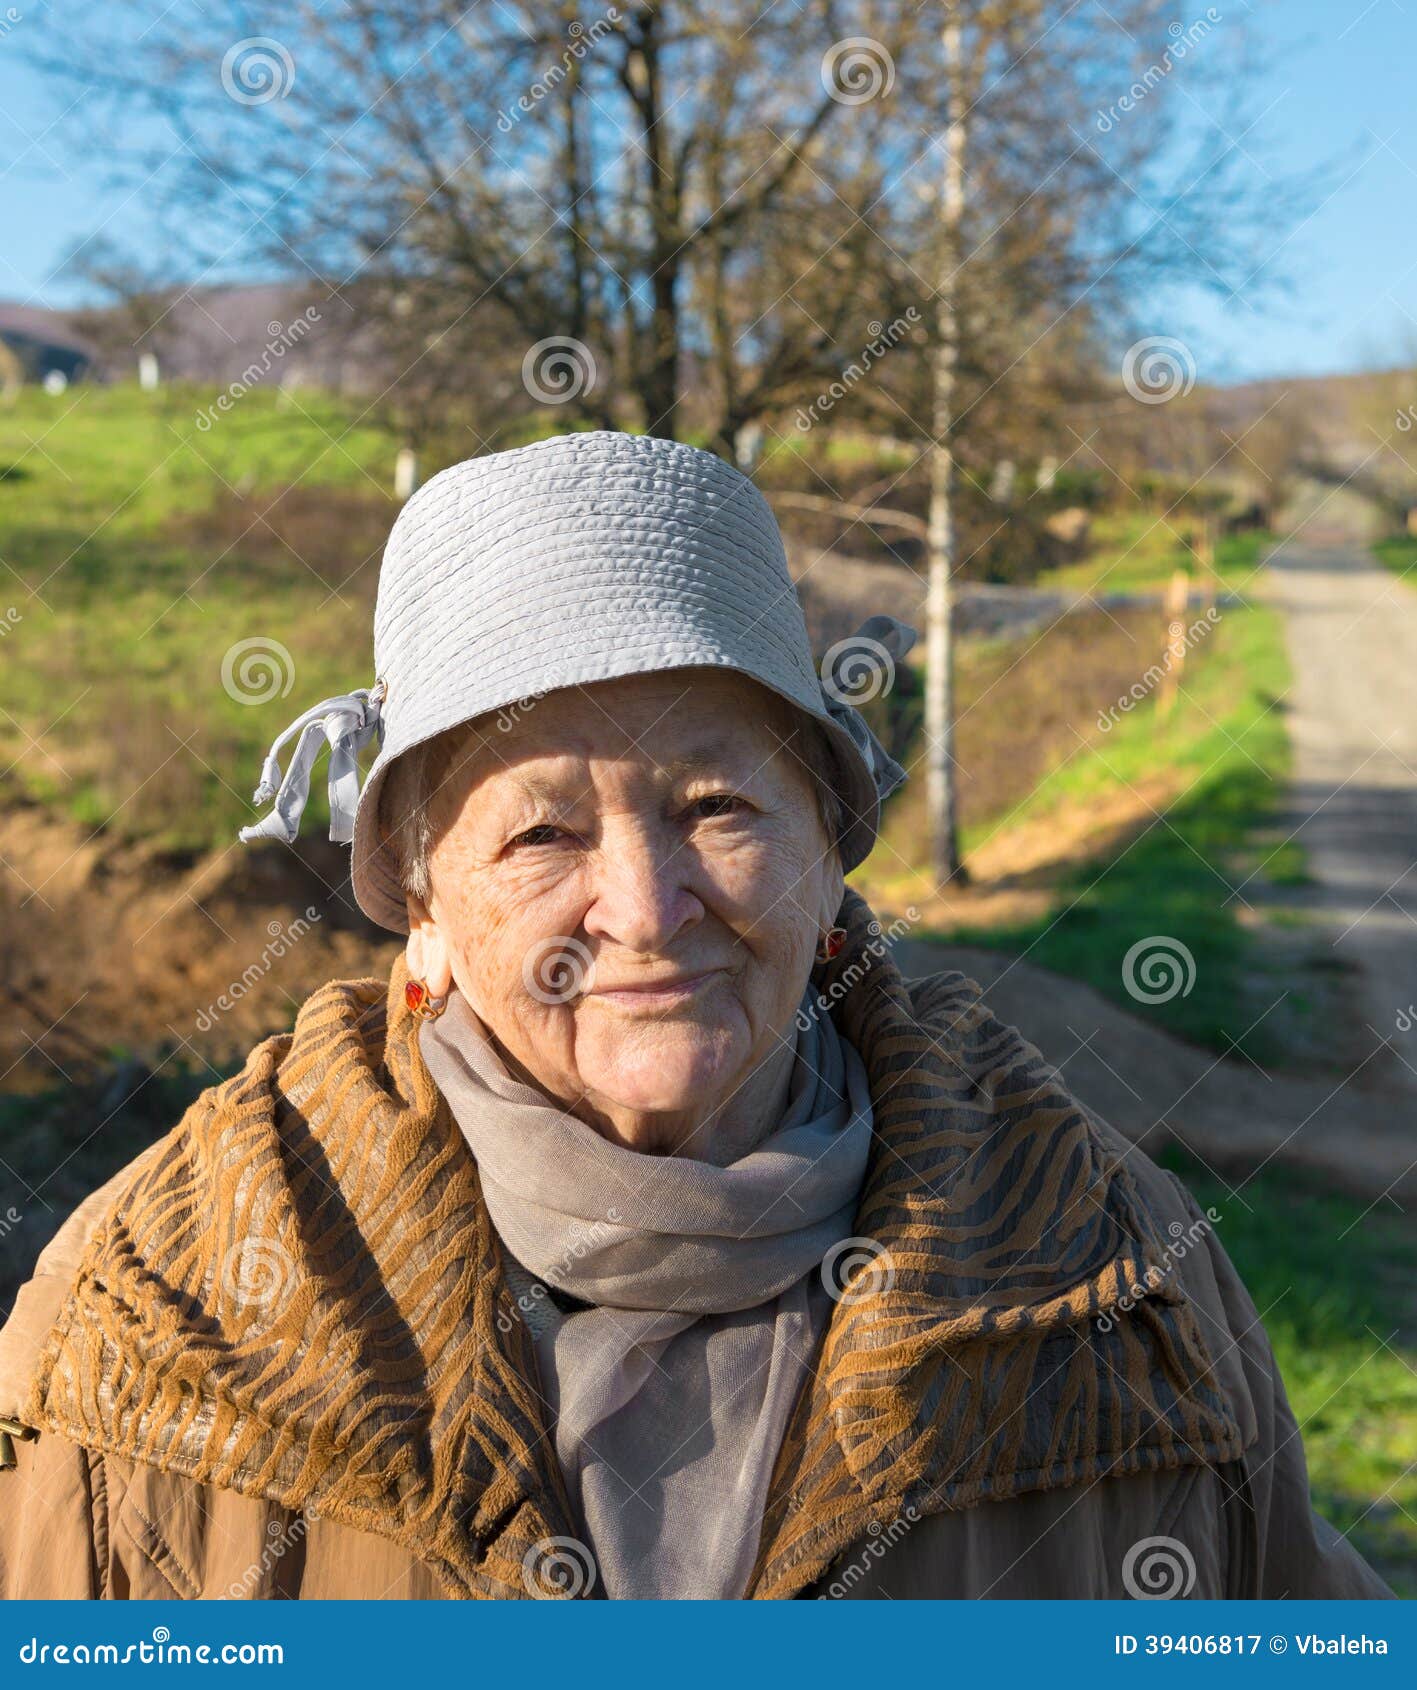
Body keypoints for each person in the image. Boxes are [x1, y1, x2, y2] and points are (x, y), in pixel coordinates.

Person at [0, 432, 1391, 1600]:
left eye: (717, 808)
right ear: (421, 898)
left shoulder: (1107, 1268)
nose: (645, 908)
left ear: (828, 846)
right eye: (541, 833)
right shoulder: (159, 1308)